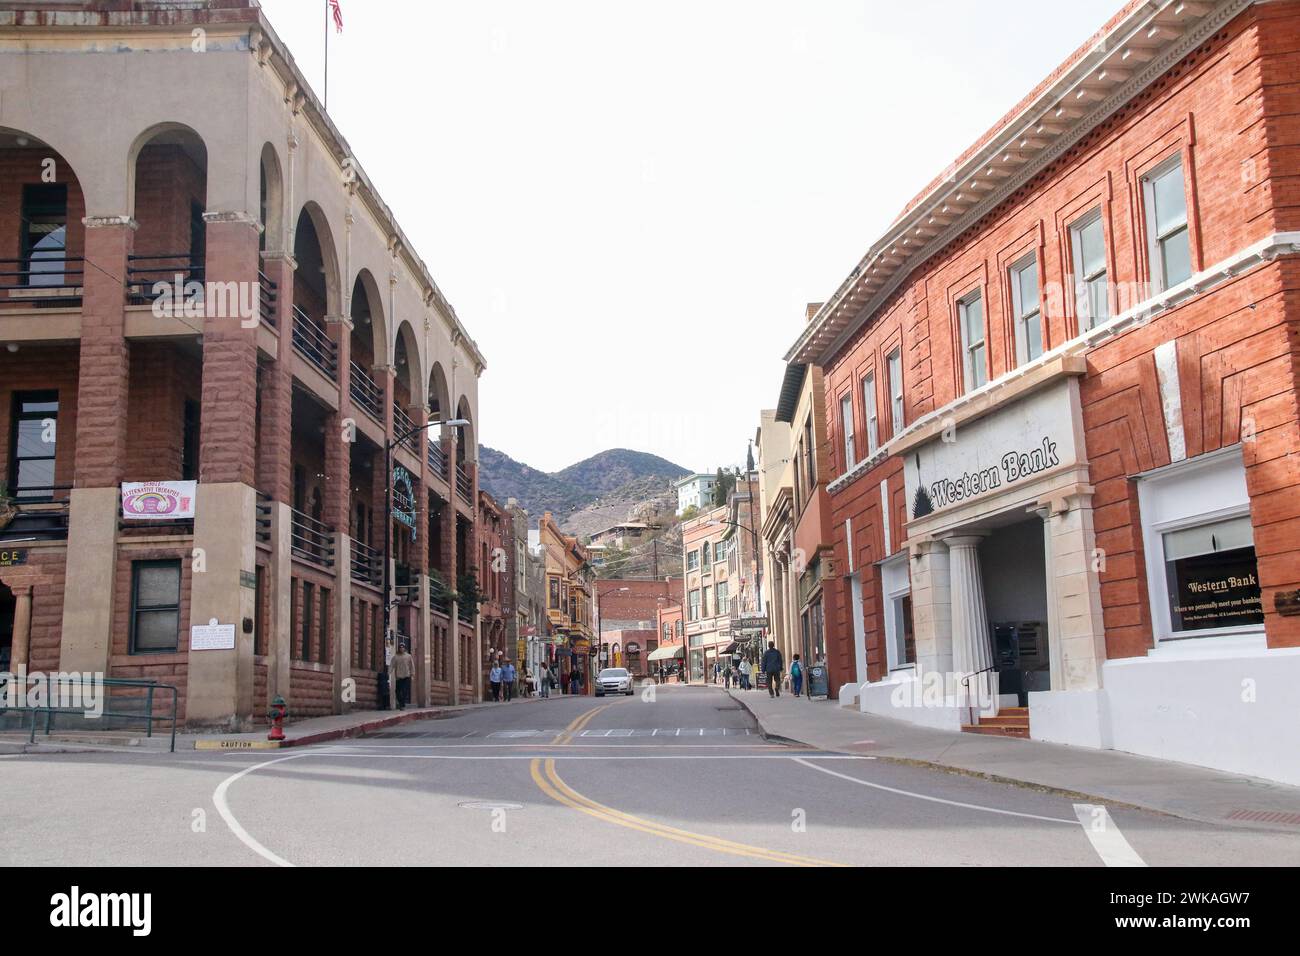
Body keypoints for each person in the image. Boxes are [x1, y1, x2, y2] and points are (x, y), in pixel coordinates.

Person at [392, 642, 414, 710]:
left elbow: (412, 666)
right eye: (400, 647)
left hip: (406, 676)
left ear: (404, 648)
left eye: (402, 647)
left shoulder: (408, 656)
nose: (401, 649)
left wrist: (412, 674)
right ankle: (401, 703)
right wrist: (389, 672)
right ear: (399, 649)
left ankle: (402, 705)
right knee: (398, 691)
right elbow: (391, 665)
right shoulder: (395, 657)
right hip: (398, 676)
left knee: (404, 691)